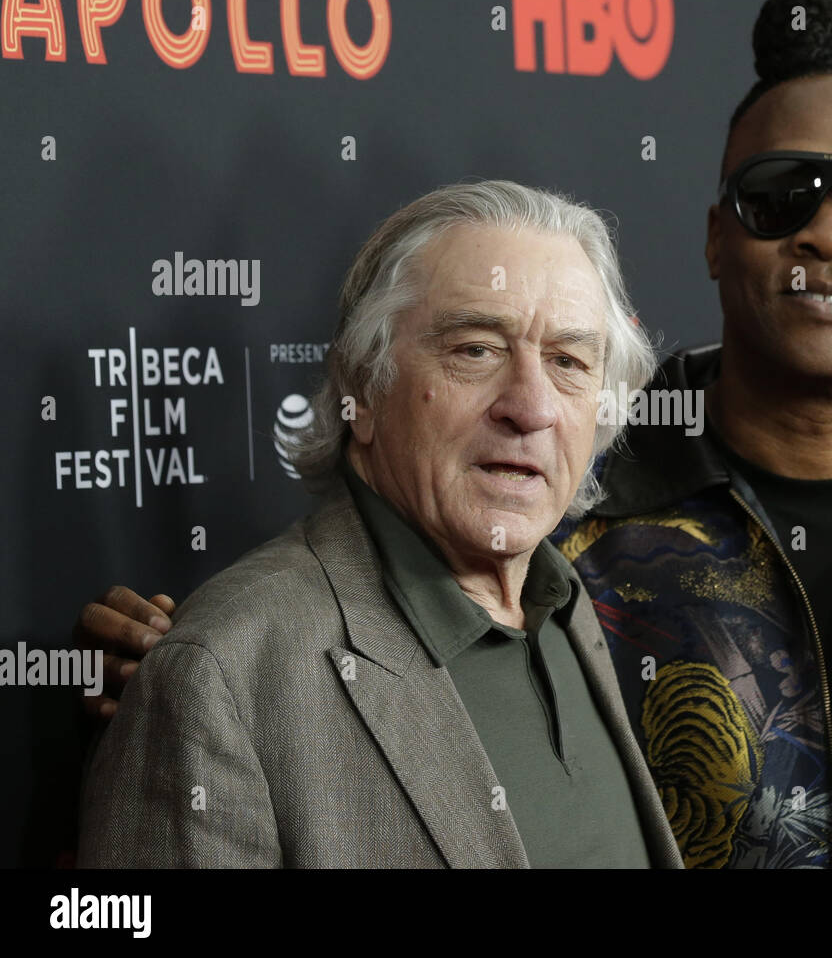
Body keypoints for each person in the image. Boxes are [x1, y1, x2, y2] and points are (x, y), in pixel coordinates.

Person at [76, 0, 832, 869]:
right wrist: (193, 674)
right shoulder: (549, 511)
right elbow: (338, 662)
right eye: (784, 193)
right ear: (717, 236)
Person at [78, 180, 682, 869]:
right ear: (361, 390)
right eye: (476, 349)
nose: (532, 406)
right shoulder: (221, 678)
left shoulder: (571, 602)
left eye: (568, 363)